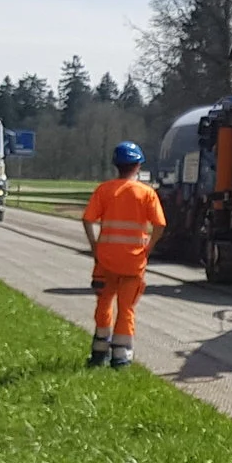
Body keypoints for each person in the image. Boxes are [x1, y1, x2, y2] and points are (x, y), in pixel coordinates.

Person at [81, 141, 166, 368]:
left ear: (116, 165)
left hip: (105, 260)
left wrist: (94, 246)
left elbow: (88, 219)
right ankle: (121, 357)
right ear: (137, 166)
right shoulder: (146, 193)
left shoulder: (104, 190)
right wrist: (148, 248)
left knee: (104, 304)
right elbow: (160, 225)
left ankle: (99, 352)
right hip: (133, 261)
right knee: (126, 308)